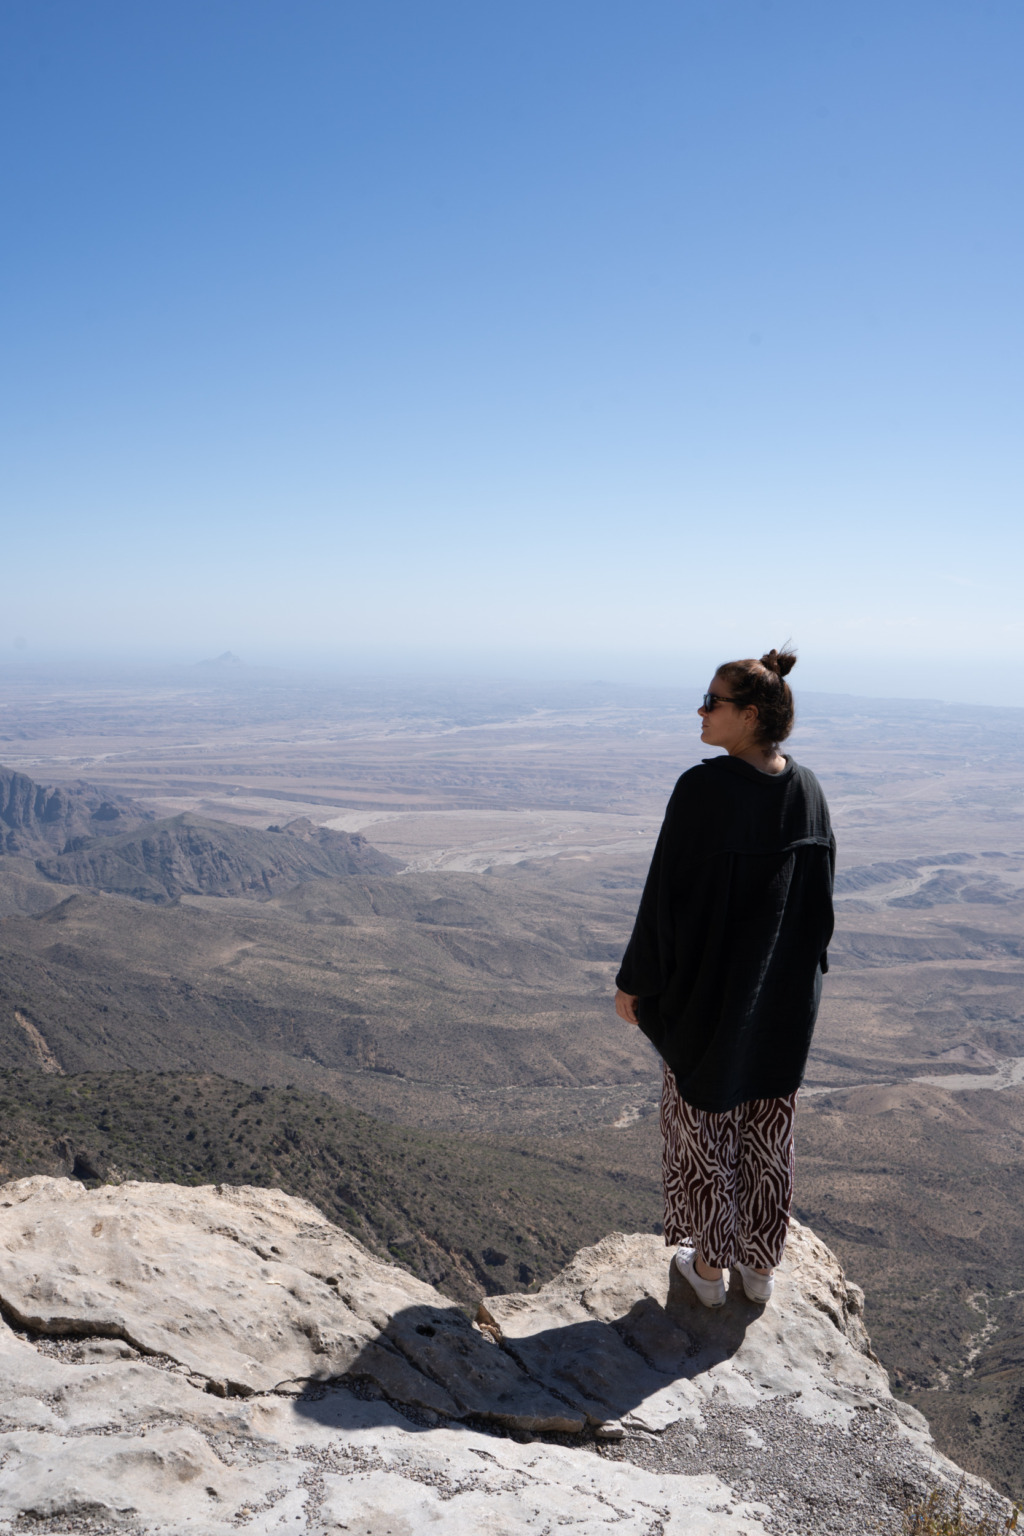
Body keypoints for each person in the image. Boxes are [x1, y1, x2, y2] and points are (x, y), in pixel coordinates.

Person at [614, 648, 834, 1308]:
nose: (701, 711)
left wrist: (637, 983)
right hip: (784, 1000)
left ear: (749, 715)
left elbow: (664, 898)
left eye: (712, 702)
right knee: (768, 1128)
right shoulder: (808, 790)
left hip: (714, 999)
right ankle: (760, 1267)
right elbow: (820, 907)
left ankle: (708, 1273)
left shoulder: (703, 790)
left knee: (709, 1127)